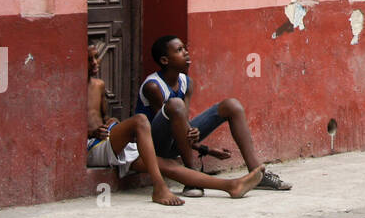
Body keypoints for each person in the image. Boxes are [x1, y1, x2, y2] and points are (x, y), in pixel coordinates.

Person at [88, 45, 264, 204]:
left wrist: (111, 123)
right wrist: (92, 133)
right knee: (141, 120)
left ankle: (232, 186)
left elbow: (103, 118)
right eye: (90, 59)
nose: (96, 62)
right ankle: (159, 188)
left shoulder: (99, 85)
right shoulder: (153, 86)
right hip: (93, 146)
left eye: (97, 57)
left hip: (117, 143)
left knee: (167, 165)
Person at [136, 35, 291, 194]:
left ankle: (258, 173)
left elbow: (184, 123)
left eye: (185, 48)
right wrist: (207, 149)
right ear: (164, 60)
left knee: (232, 106)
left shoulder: (186, 82)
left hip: (179, 138)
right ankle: (192, 179)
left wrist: (194, 135)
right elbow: (165, 129)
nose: (186, 53)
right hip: (154, 144)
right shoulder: (153, 87)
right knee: (176, 105)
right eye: (179, 50)